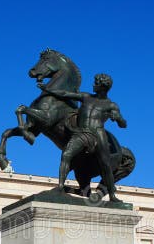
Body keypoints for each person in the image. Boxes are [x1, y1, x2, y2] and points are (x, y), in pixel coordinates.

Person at [38, 73, 127, 202]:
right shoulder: (86, 97)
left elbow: (123, 124)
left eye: (96, 83)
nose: (93, 85)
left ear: (102, 87)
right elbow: (64, 94)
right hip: (82, 133)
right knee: (66, 154)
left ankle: (112, 195)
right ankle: (60, 187)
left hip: (98, 134)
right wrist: (47, 89)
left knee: (106, 165)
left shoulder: (111, 105)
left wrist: (118, 119)